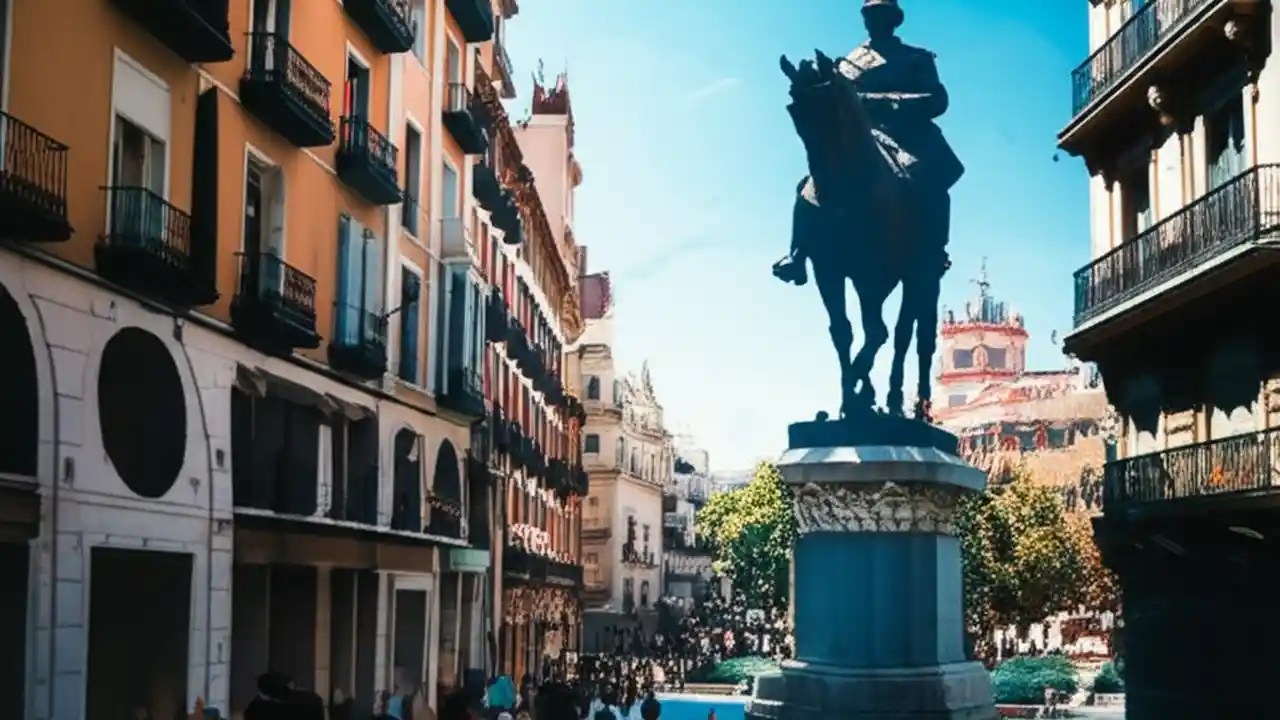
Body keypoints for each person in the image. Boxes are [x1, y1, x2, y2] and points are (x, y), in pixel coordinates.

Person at [772, 0, 963, 287]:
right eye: (869, 14)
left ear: (894, 19)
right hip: (860, 134)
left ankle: (933, 251)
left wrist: (885, 102)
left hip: (905, 136)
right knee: (810, 186)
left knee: (928, 183)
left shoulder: (916, 58)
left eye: (879, 14)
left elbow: (937, 100)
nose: (872, 20)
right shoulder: (849, 61)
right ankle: (797, 256)